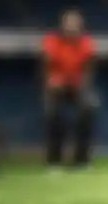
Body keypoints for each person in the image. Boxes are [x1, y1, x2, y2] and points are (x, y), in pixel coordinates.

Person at [41, 10, 98, 173]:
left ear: (81, 27)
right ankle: (54, 161)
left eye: (75, 24)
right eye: (68, 24)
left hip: (77, 85)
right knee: (53, 113)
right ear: (62, 25)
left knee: (89, 106)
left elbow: (88, 69)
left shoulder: (87, 42)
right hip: (57, 85)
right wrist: (51, 82)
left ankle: (82, 160)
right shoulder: (51, 40)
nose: (71, 28)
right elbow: (46, 66)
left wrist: (83, 86)